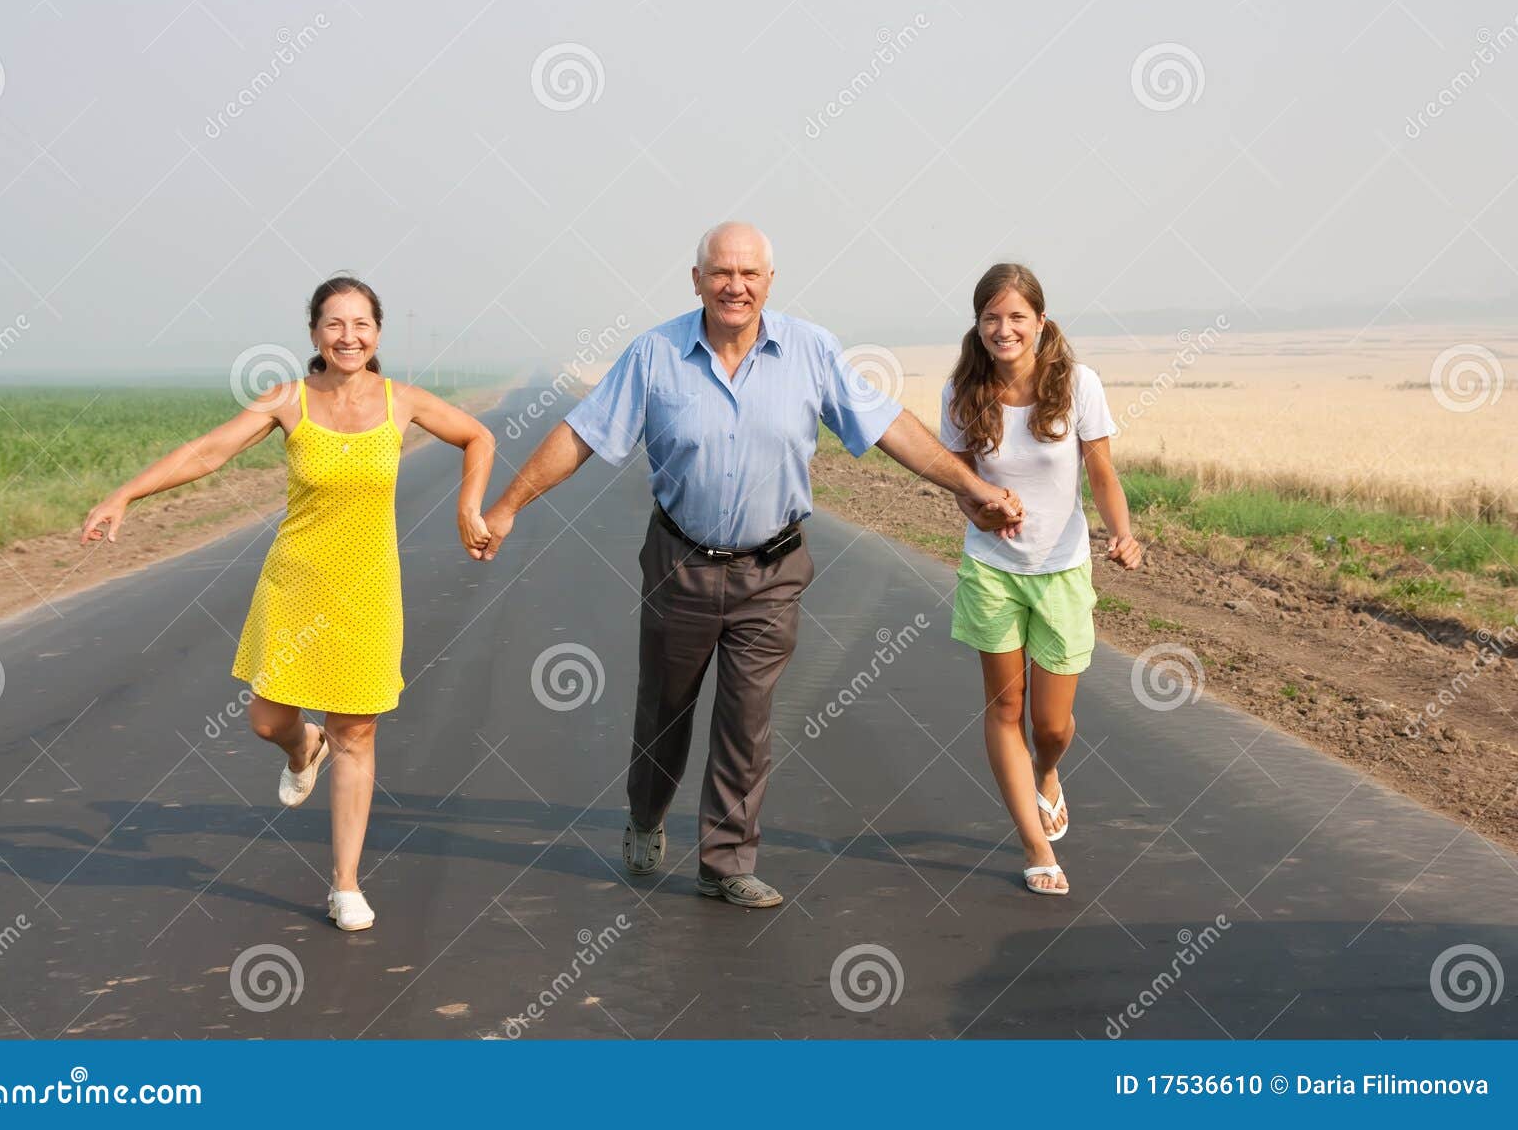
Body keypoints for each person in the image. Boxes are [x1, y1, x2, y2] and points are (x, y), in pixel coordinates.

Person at [477, 222, 1023, 908]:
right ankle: (646, 812)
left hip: (772, 568)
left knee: (747, 717)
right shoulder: (656, 354)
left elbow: (887, 426)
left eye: (749, 274)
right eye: (721, 272)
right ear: (698, 278)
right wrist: (507, 506)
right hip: (680, 562)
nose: (735, 285)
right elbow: (583, 434)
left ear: (769, 282)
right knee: (665, 715)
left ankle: (725, 860)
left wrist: (970, 487)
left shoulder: (810, 350)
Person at [80, 276, 495, 931]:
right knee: (266, 721)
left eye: (361, 324)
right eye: (335, 324)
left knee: (356, 732)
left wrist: (468, 504)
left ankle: (346, 883)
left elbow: (478, 437)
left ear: (378, 334)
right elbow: (208, 451)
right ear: (314, 335)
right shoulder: (289, 401)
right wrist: (125, 494)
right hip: (294, 586)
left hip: (368, 592)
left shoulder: (402, 401)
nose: (348, 336)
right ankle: (303, 747)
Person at [939, 262, 1142, 897]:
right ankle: (1035, 847)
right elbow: (959, 483)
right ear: (977, 326)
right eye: (991, 318)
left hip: (1061, 570)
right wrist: (981, 508)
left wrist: (1122, 532)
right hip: (992, 569)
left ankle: (1048, 772)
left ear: (1040, 321)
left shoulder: (1078, 384)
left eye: (1016, 317)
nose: (1004, 329)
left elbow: (1101, 473)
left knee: (1051, 726)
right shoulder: (961, 391)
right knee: (1006, 709)